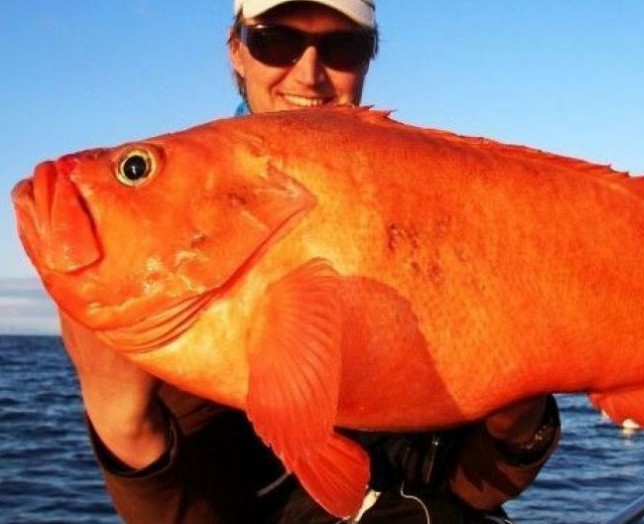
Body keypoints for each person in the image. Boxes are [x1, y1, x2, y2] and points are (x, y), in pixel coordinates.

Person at [63, 1, 561, 522]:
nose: (309, 73)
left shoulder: (432, 201)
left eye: (342, 47)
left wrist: (520, 427)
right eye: (275, 40)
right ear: (237, 50)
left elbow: (472, 489)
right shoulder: (177, 249)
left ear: (369, 58)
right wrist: (119, 420)